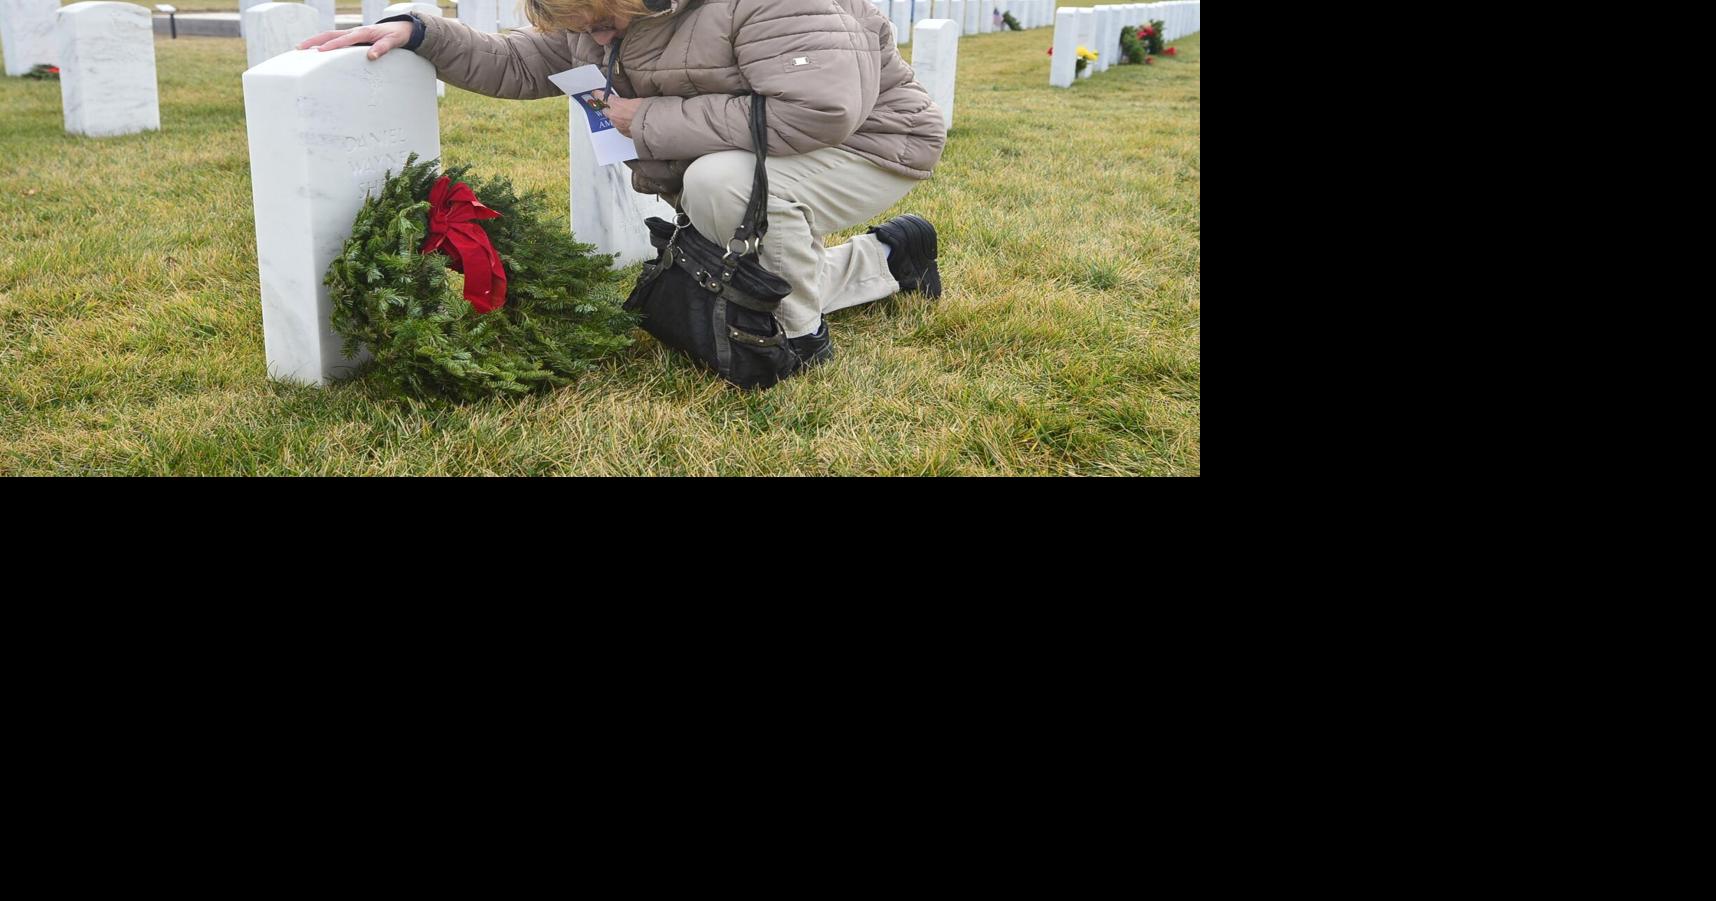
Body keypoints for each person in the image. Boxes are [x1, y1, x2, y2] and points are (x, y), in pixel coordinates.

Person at [300, 0, 946, 369]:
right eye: (586, 27)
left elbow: (821, 110)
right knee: (722, 194)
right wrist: (419, 32)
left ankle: (798, 340)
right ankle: (891, 257)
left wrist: (654, 121)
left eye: (602, 23)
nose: (595, 39)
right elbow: (522, 59)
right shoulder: (604, 19)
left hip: (869, 146)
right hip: (774, 152)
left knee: (720, 183)